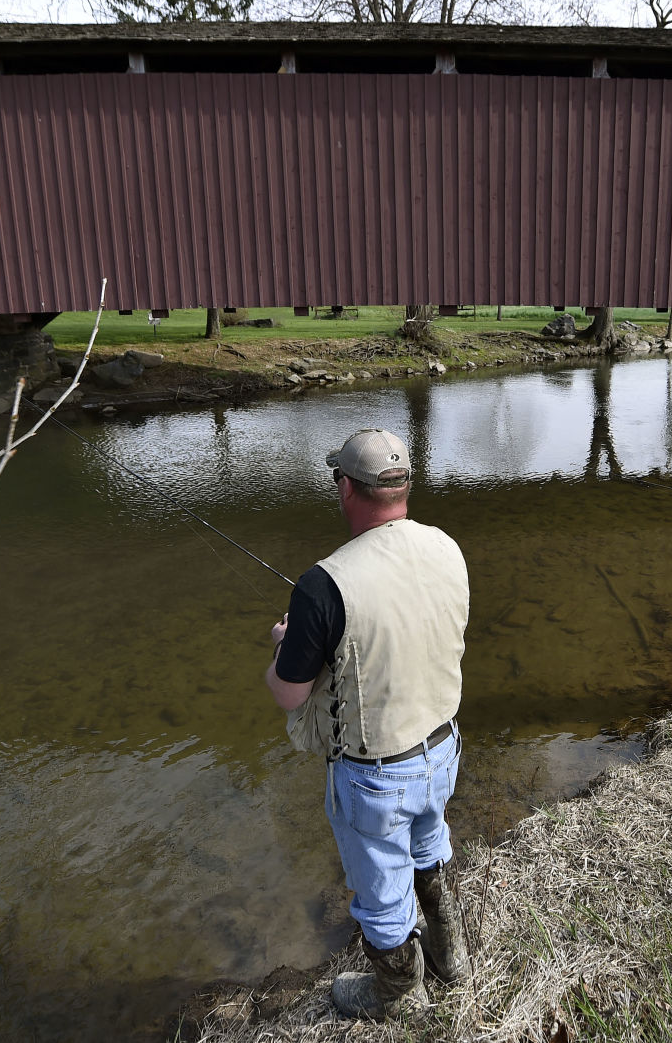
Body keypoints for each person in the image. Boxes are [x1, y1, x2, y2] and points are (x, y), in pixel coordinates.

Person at [263, 428, 471, 1020]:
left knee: (382, 895)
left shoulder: (323, 586)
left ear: (346, 488)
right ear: (402, 488)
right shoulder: (448, 548)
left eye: (338, 479)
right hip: (443, 748)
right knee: (431, 848)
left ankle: (400, 996)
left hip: (376, 775)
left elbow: (288, 693)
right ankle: (452, 957)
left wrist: (285, 643)